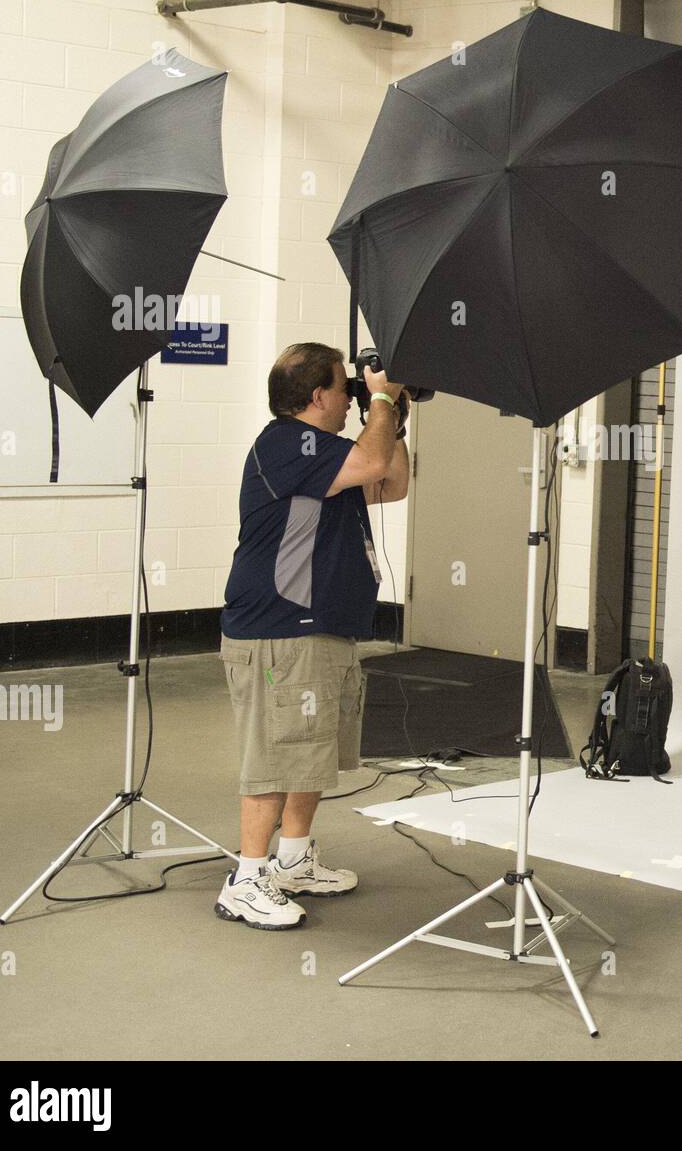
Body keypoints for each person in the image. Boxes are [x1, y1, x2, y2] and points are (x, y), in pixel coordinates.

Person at [215, 342, 409, 928]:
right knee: (277, 755)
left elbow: (392, 482)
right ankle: (245, 880)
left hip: (320, 629)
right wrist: (379, 397)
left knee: (310, 751)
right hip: (279, 631)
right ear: (319, 395)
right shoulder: (285, 445)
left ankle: (292, 859)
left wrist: (393, 412)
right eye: (343, 388)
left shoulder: (328, 454)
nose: (351, 398)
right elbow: (374, 465)